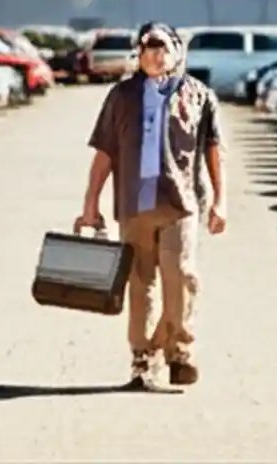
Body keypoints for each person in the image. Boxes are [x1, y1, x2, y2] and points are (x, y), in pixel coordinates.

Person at [76, 21, 227, 389]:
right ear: (138, 54)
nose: (157, 55)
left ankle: (178, 351)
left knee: (182, 276)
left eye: (164, 48)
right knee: (140, 283)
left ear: (177, 51)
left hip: (181, 203)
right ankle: (142, 359)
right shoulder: (121, 96)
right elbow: (104, 154)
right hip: (134, 206)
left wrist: (221, 202)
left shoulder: (199, 95)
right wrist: (90, 204)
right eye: (149, 48)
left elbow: (213, 151)